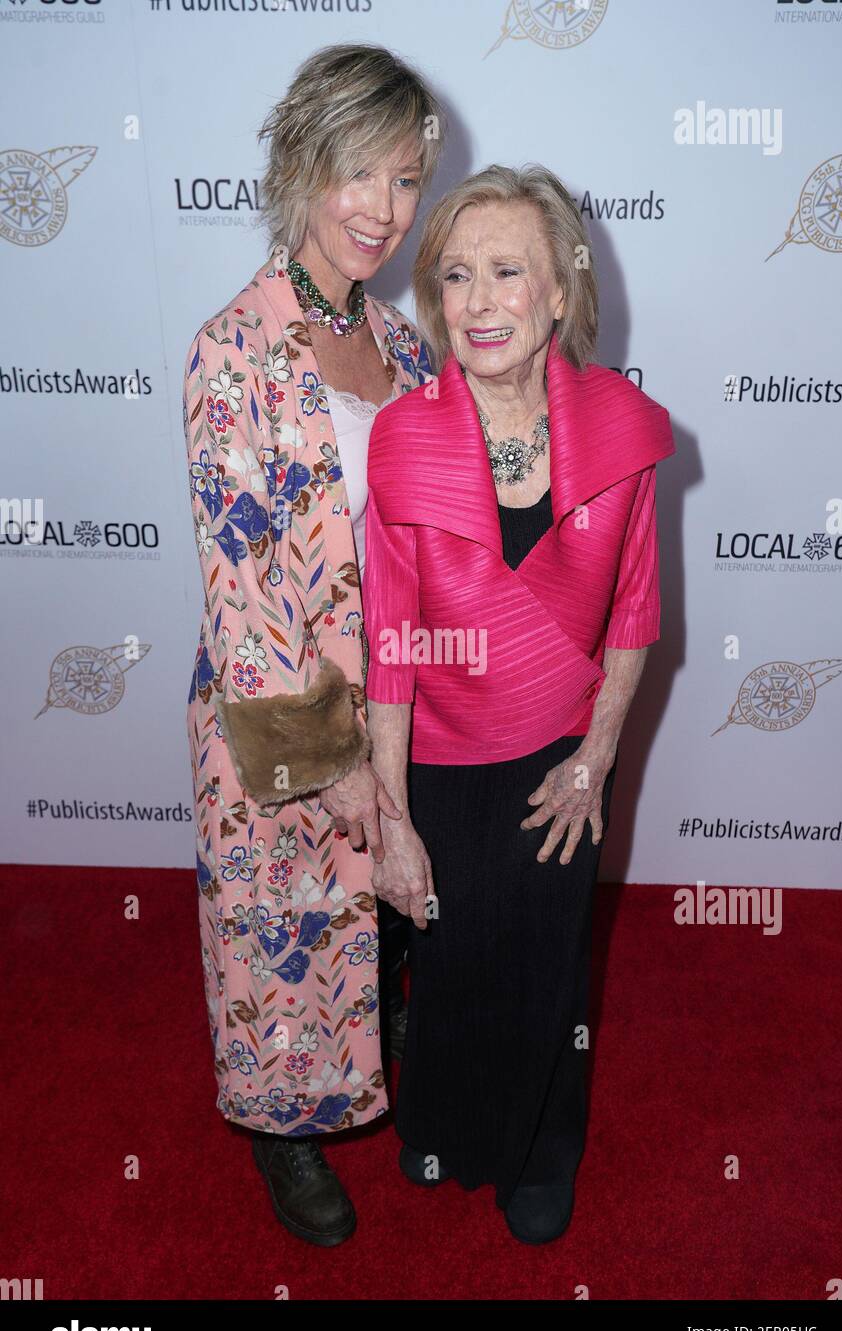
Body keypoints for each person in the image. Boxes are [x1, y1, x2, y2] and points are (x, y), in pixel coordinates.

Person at [363, 165, 676, 1244]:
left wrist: (594, 758)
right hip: (443, 758)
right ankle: (445, 1120)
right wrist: (394, 821)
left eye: (509, 272)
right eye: (455, 275)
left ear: (559, 296)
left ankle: (545, 1152)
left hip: (563, 748)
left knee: (546, 961)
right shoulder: (403, 442)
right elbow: (392, 649)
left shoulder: (624, 430)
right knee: (450, 954)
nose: (481, 300)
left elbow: (635, 610)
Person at [182, 44, 442, 1247]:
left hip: (405, 691)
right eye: (357, 173)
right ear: (302, 165)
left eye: (403, 180)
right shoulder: (234, 349)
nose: (382, 211)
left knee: (375, 920)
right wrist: (329, 762)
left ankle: (380, 1061)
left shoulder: (406, 346)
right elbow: (244, 598)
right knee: (280, 930)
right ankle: (283, 1132)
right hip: (281, 704)